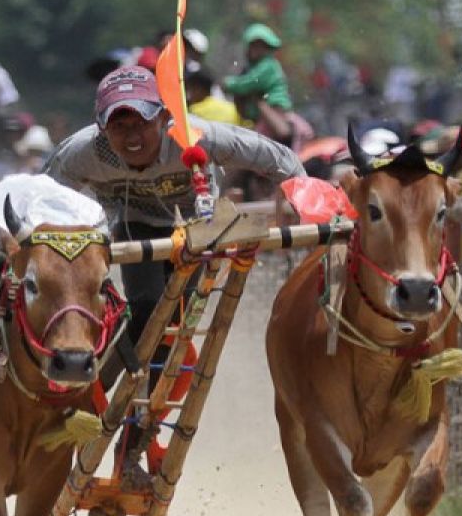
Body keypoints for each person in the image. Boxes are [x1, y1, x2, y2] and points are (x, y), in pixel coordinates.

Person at [43, 65, 303, 487]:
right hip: (134, 227)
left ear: (164, 118)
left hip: (199, 233)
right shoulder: (81, 153)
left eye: (142, 121)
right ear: (101, 129)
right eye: (118, 123)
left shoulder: (197, 135)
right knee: (148, 308)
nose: (131, 135)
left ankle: (131, 443)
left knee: (174, 341)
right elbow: (39, 196)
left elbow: (280, 158)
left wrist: (296, 196)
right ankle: (88, 390)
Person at [223, 23, 294, 141]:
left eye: (260, 46)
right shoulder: (254, 67)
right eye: (253, 46)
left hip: (274, 108)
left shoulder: (268, 65)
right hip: (259, 116)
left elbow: (249, 83)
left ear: (268, 48)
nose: (256, 50)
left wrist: (229, 83)